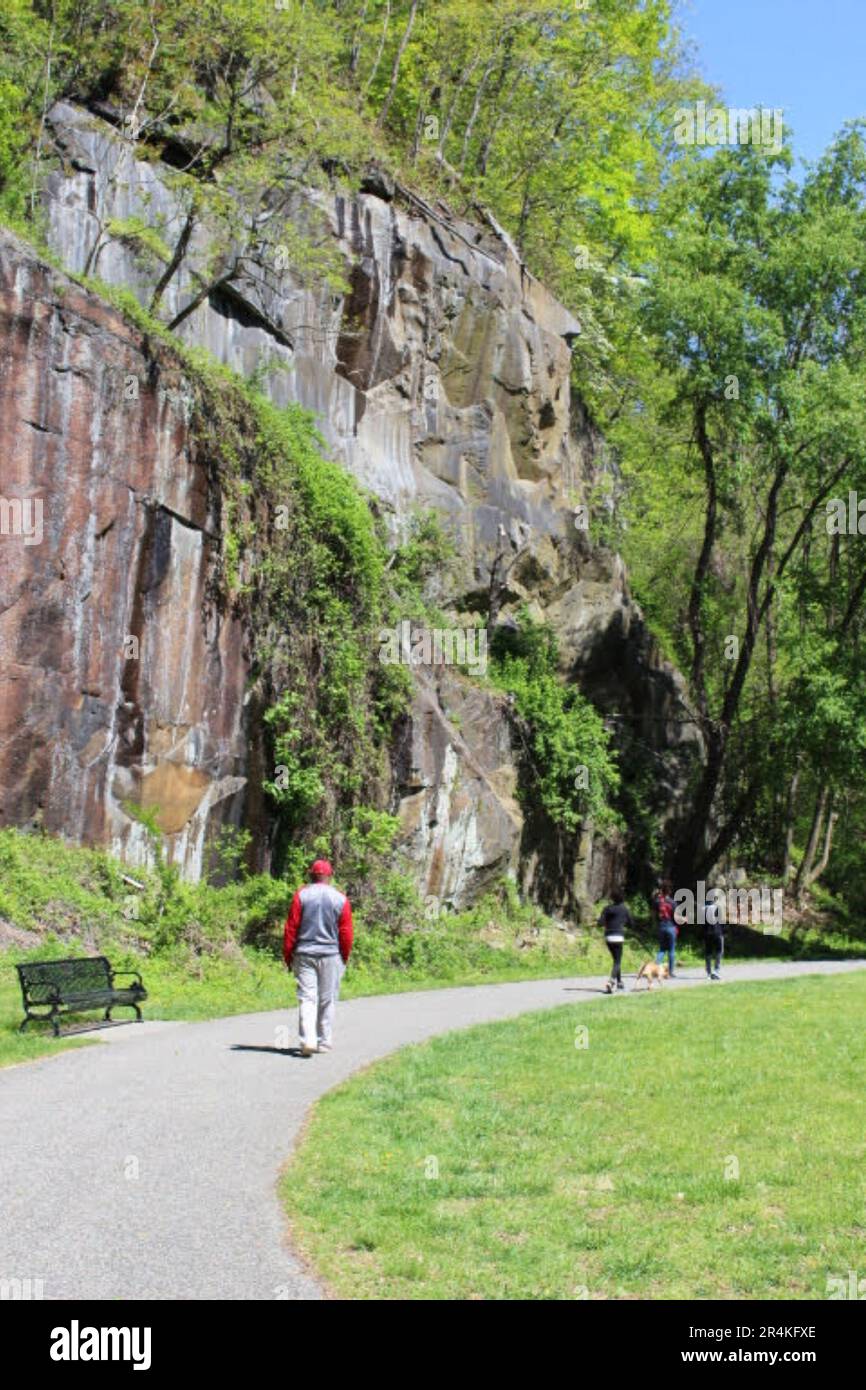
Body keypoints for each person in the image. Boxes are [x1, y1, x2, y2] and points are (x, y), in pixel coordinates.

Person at [283, 859, 353, 1056]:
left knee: (307, 998)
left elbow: (291, 928)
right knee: (327, 999)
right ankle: (324, 1042)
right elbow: (346, 932)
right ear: (329, 877)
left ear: (311, 875)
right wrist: (343, 956)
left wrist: (288, 955)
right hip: (331, 955)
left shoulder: (301, 895)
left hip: (304, 954)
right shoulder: (340, 898)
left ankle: (308, 1040)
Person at [598, 889, 633, 993]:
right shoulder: (624, 909)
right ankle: (611, 981)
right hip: (618, 937)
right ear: (622, 898)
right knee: (617, 961)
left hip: (608, 937)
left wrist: (602, 922)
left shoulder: (607, 909)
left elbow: (600, 923)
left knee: (616, 961)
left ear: (612, 898)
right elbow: (631, 924)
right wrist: (624, 923)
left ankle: (620, 983)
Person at [653, 877, 677, 978]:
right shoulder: (672, 902)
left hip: (661, 926)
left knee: (662, 949)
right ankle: (670, 972)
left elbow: (653, 914)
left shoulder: (657, 901)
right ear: (669, 890)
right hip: (671, 926)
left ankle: (655, 969)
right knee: (671, 950)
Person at [704, 896, 724, 981]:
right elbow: (721, 922)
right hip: (717, 932)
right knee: (719, 951)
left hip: (707, 933)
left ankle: (708, 973)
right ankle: (716, 971)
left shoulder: (702, 909)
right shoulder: (718, 908)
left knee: (708, 953)